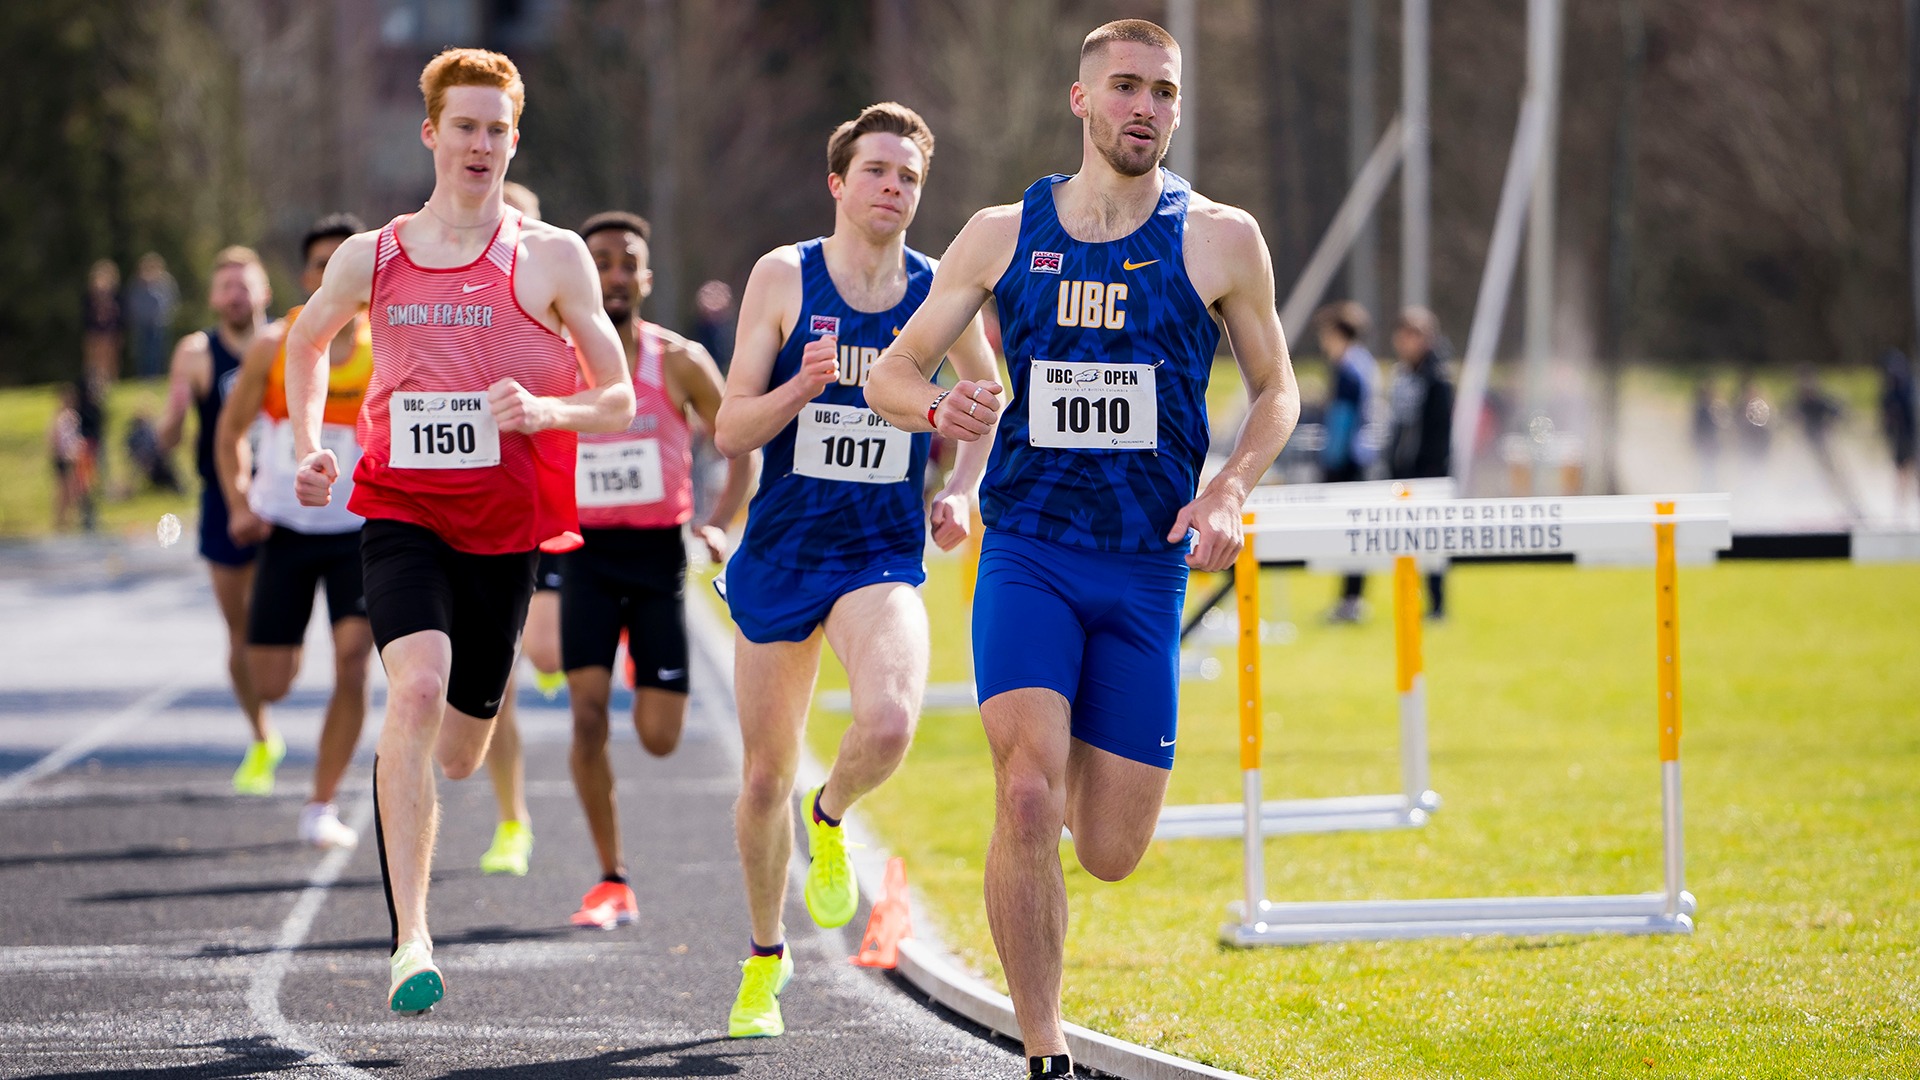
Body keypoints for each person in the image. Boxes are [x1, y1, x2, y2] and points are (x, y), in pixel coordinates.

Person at [866, 21, 1299, 1079]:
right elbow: (891, 371)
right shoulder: (1001, 232)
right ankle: (1046, 1050)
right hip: (1031, 555)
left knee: (1108, 851)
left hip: (1146, 568)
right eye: (1124, 87)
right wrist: (940, 408)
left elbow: (1278, 390)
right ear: (1081, 101)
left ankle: (1053, 860)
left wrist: (1229, 489)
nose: (1144, 106)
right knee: (1023, 792)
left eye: (1163, 91)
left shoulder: (1221, 239)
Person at [282, 47, 634, 1015]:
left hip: (504, 531)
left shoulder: (551, 256)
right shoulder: (375, 255)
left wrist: (546, 412)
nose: (480, 144)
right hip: (401, 508)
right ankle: (411, 938)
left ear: (513, 139)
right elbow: (306, 339)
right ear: (431, 133)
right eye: (464, 126)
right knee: (416, 688)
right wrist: (312, 445)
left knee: (461, 748)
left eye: (497, 129)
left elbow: (614, 397)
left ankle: (449, 763)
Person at [713, 101, 999, 1040]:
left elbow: (986, 399)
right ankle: (765, 959)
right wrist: (804, 384)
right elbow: (730, 428)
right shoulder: (783, 277)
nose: (894, 188)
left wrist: (959, 489)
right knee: (761, 778)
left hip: (879, 554)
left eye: (910, 176)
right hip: (784, 550)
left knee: (888, 719)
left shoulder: (937, 287)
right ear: (838, 183)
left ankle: (830, 815)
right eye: (877, 170)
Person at [565, 210, 756, 930]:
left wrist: (717, 520)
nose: (614, 275)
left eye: (626, 263)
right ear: (583, 273)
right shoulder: (557, 357)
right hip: (580, 553)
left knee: (658, 736)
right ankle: (611, 877)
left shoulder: (677, 360)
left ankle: (636, 666)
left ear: (645, 277)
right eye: (601, 261)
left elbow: (738, 439)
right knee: (586, 720)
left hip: (654, 559)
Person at [213, 214, 374, 850]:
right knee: (272, 680)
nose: (332, 270)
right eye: (320, 262)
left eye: (345, 259)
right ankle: (286, 667)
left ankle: (321, 802)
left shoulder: (387, 345)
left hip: (359, 531)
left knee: (355, 662)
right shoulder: (274, 346)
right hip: (284, 529)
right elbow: (229, 435)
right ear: (307, 276)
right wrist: (238, 500)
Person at [157, 245, 277, 794]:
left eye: (243, 285)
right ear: (212, 297)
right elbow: (170, 432)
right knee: (239, 632)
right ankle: (261, 736)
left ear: (264, 292)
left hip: (283, 495)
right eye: (225, 286)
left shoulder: (288, 343)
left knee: (281, 629)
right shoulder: (196, 352)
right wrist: (168, 425)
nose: (235, 295)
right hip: (221, 500)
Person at [471, 176, 551, 879]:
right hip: (462, 512)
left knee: (518, 677)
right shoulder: (448, 312)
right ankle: (510, 816)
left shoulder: (562, 311)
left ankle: (513, 818)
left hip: (546, 517)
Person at [1384, 306, 1454, 619]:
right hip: (1402, 472)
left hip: (1430, 474)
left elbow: (1438, 433)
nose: (1405, 342)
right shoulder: (1402, 375)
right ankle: (1409, 601)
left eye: (1413, 335)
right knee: (1404, 543)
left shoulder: (1438, 379)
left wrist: (1428, 471)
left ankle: (1437, 606)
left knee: (1433, 543)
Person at [1315, 300, 1380, 623]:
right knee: (1354, 533)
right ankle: (1350, 599)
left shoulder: (1348, 368)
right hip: (1362, 459)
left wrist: (1330, 462)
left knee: (1350, 534)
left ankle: (1350, 602)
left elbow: (1343, 420)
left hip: (1348, 462)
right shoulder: (1365, 363)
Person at [126, 253, 180, 379]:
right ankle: (143, 376)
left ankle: (155, 376)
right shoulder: (137, 283)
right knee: (142, 351)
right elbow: (133, 302)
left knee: (157, 351)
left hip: (159, 324)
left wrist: (166, 317)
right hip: (142, 322)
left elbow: (172, 300)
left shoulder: (166, 282)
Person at [48, 383, 94, 532]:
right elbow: (56, 438)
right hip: (64, 457)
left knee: (73, 488)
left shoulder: (72, 416)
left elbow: (74, 438)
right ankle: (61, 520)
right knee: (64, 490)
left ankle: (69, 519)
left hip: (72, 457)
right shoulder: (61, 418)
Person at [1879, 349, 1917, 522]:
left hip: (1912, 436)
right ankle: (1901, 509)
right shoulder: (1889, 392)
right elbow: (1886, 420)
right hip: (1902, 438)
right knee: (1902, 473)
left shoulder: (1911, 388)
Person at [83, 259, 123, 386]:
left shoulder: (116, 297)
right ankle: (93, 382)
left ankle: (110, 381)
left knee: (110, 358)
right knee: (92, 359)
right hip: (94, 332)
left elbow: (119, 317)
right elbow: (86, 317)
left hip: (110, 333)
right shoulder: (89, 298)